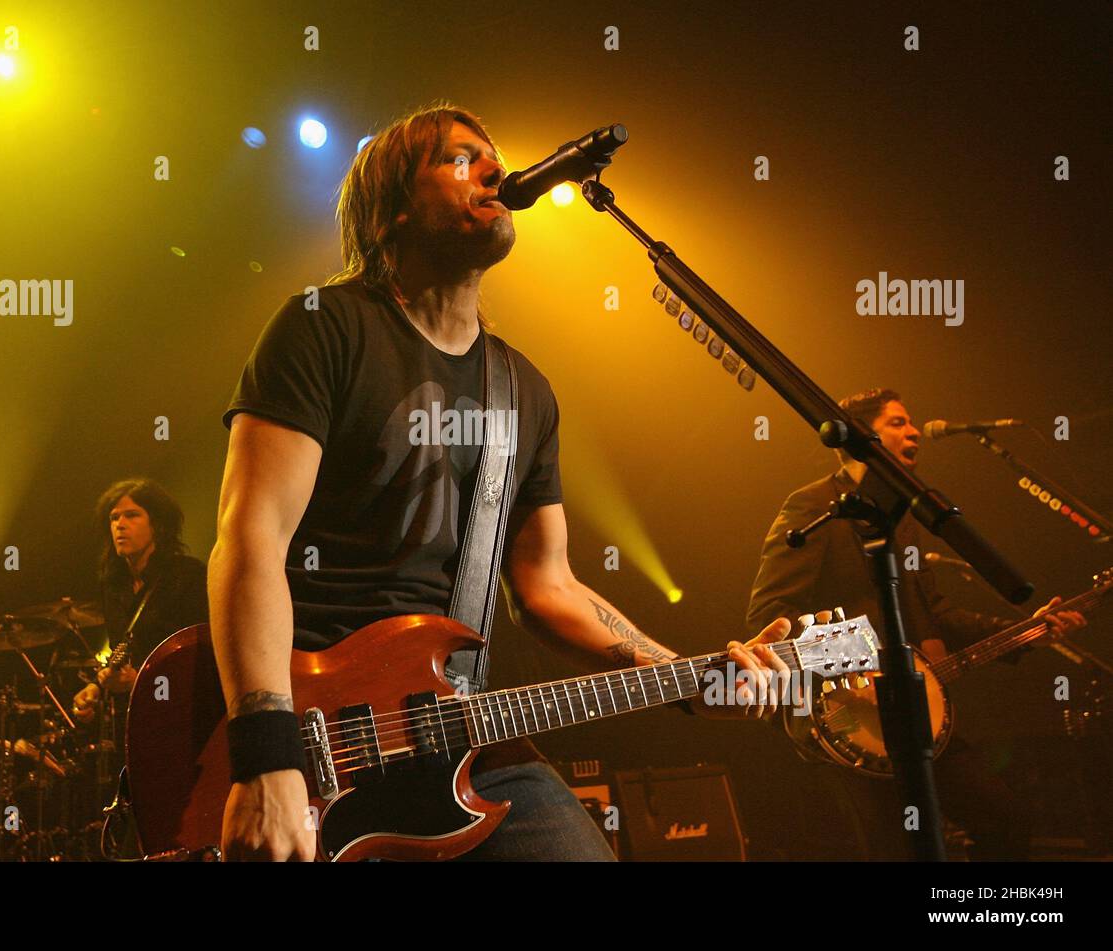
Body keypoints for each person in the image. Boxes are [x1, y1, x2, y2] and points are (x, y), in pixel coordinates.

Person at [210, 102, 795, 862]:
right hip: (310, 728)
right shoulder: (325, 327)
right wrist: (268, 751)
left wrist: (683, 675)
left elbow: (548, 584)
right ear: (391, 209)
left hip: (461, 734)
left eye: (491, 156)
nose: (493, 170)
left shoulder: (523, 389)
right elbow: (251, 535)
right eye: (457, 158)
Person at [746, 387, 1086, 859]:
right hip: (849, 718)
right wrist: (854, 665)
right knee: (898, 850)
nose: (914, 432)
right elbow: (770, 615)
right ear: (862, 436)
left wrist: (1029, 630)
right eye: (898, 422)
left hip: (916, 713)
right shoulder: (814, 505)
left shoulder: (902, 519)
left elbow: (935, 615)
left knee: (1005, 818)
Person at [72, 478, 209, 723]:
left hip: (183, 716)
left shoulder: (188, 576)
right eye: (114, 518)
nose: (120, 525)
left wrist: (140, 681)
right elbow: (122, 650)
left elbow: (202, 658)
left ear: (157, 525)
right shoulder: (112, 585)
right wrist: (97, 687)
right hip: (135, 719)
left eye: (132, 515)